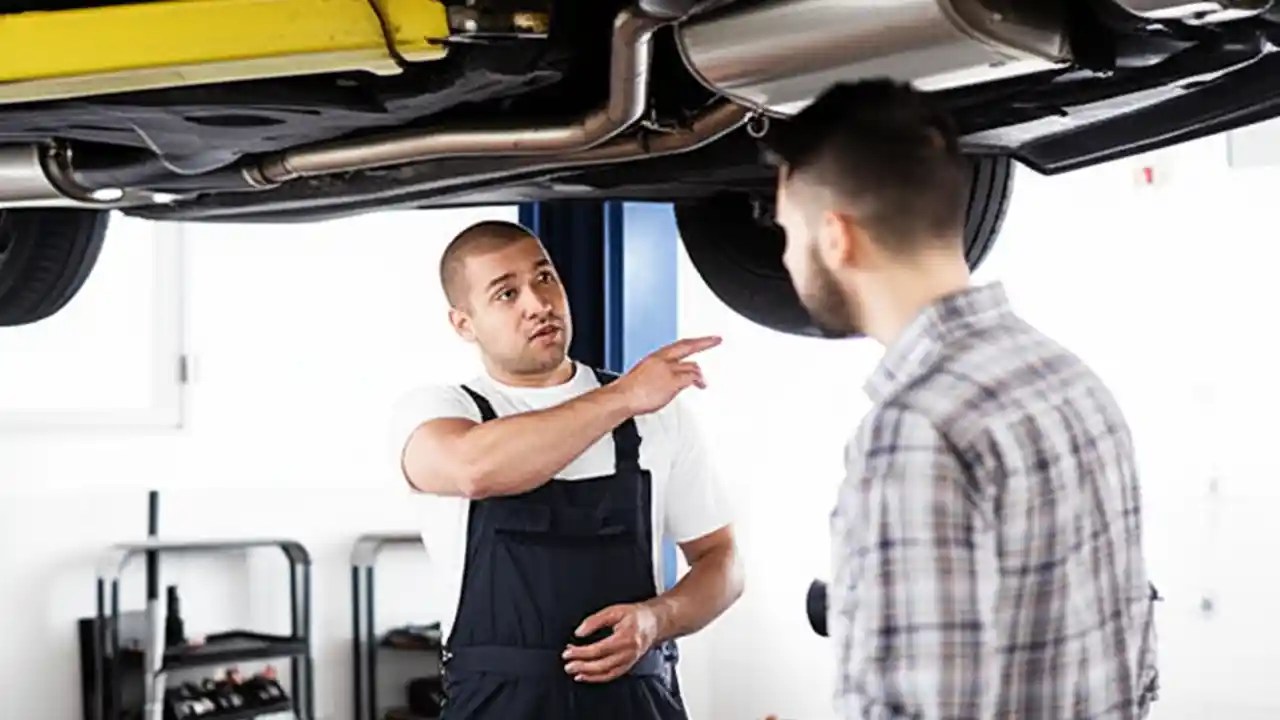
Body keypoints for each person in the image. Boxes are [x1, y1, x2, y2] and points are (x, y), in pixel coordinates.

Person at [761, 80, 1160, 719]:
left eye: (787, 234)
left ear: (836, 237)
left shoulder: (918, 429)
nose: (783, 257)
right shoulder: (1069, 378)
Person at [390, 219, 743, 719]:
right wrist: (622, 397)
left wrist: (657, 619)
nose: (538, 304)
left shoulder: (657, 415)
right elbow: (474, 468)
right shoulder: (438, 410)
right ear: (463, 323)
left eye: (544, 278)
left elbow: (722, 561)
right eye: (506, 294)